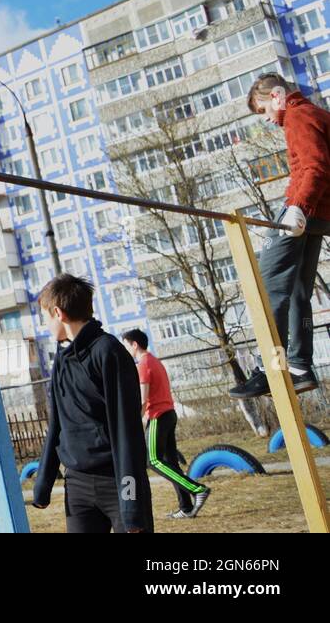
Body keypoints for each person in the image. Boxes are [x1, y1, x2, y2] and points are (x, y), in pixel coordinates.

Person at [229, 74, 326, 399]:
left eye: (264, 110)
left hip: (306, 210)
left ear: (278, 95)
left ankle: (270, 366)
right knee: (298, 289)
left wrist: (297, 207)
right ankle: (299, 366)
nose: (269, 119)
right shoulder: (316, 114)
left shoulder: (297, 115)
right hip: (320, 215)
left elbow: (314, 167)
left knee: (266, 284)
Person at [32, 274, 154, 533]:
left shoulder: (109, 352)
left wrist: (131, 502)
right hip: (77, 487)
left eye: (45, 317)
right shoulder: (62, 362)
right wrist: (43, 481)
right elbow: (57, 425)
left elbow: (127, 432)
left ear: (58, 313)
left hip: (118, 483)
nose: (45, 325)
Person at [121, 329, 209, 519]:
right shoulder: (154, 360)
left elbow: (143, 400)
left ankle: (197, 489)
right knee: (171, 463)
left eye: (126, 345)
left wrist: (134, 424)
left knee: (152, 461)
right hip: (169, 414)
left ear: (134, 344)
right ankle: (185, 508)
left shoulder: (143, 364)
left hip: (158, 416)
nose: (125, 349)